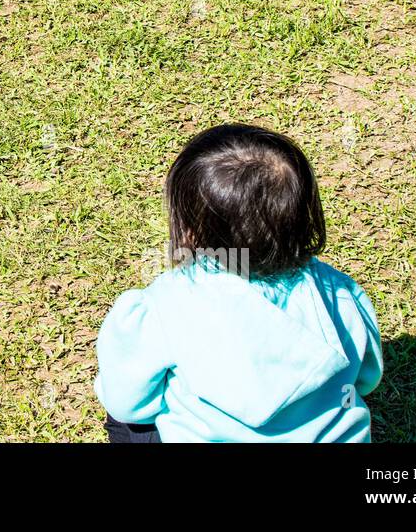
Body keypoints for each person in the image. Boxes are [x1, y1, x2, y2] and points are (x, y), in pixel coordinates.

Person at [95, 123, 383, 442]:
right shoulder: (338, 291)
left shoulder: (160, 306)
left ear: (192, 229)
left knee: (126, 423)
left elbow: (128, 405)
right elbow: (366, 378)